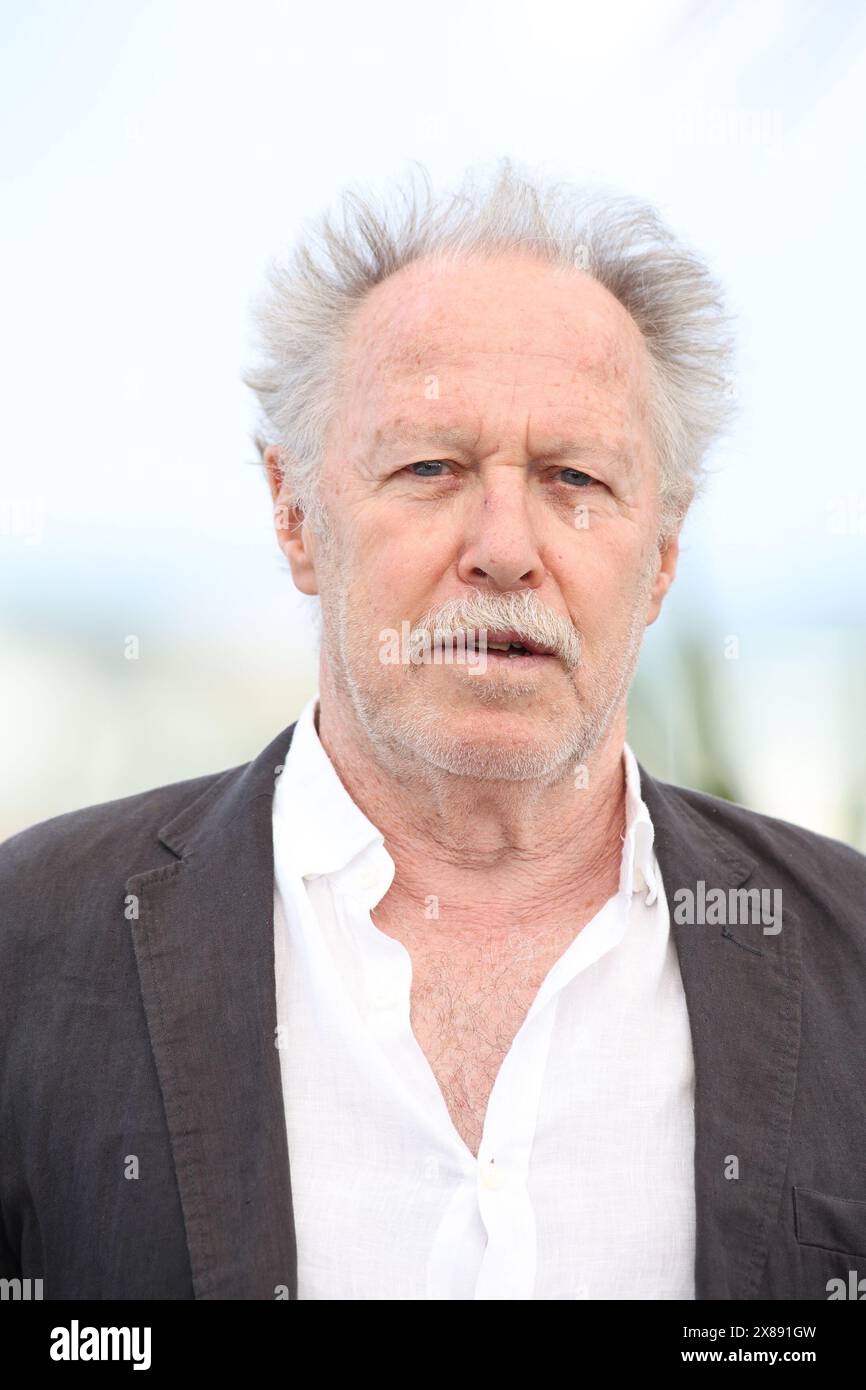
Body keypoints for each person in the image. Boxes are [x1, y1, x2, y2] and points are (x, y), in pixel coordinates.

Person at [2, 160, 865, 1301]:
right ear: (294, 515)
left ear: (659, 552)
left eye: (573, 476)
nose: (504, 547)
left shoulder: (846, 956)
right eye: (429, 467)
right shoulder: (30, 942)